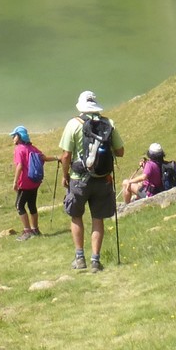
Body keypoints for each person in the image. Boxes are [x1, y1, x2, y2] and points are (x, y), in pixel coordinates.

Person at [57, 90, 124, 272]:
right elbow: (120, 152)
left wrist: (65, 175)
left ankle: (80, 258)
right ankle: (95, 260)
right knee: (98, 219)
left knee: (76, 216)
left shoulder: (73, 124)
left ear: (81, 106)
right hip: (102, 179)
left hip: (79, 178)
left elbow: (66, 155)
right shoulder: (108, 123)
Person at [9, 126, 46, 239]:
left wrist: (15, 182)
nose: (12, 138)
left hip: (25, 183)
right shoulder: (32, 148)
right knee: (32, 205)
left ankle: (27, 231)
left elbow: (19, 166)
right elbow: (43, 157)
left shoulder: (19, 149)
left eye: (14, 136)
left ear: (19, 136)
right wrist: (56, 158)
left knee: (19, 205)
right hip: (35, 182)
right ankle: (35, 230)